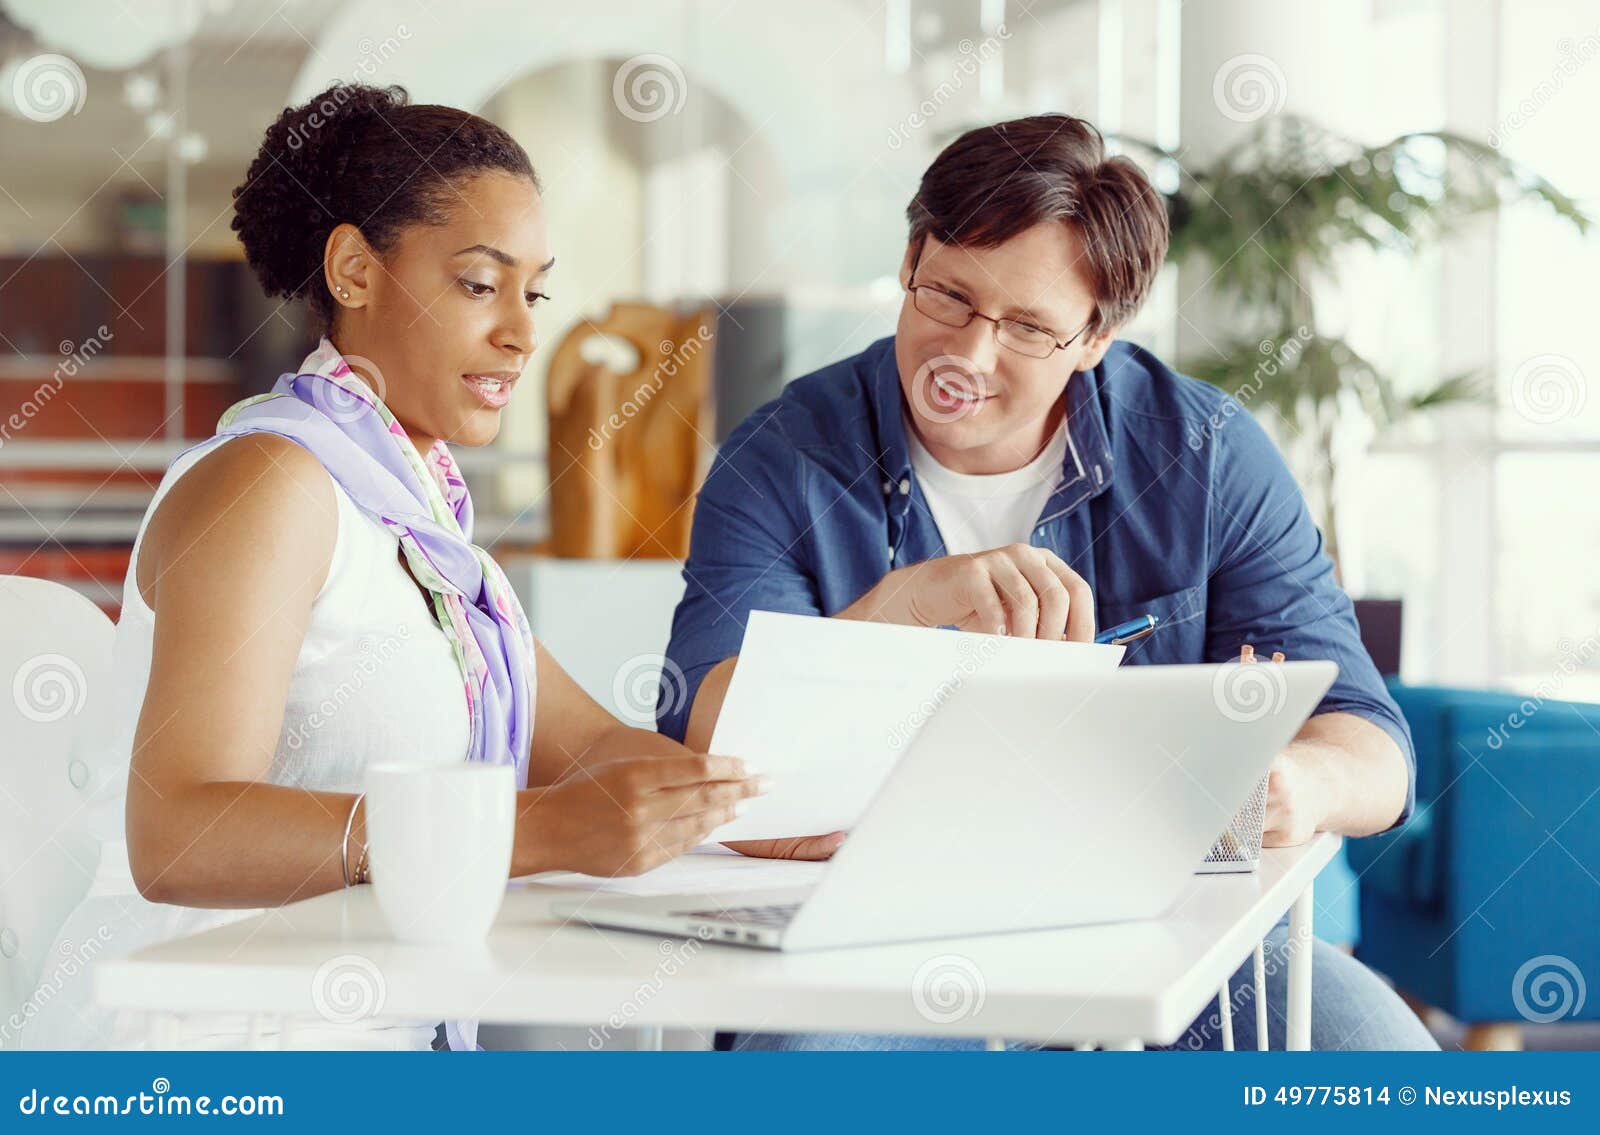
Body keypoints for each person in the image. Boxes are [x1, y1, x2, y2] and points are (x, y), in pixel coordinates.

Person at [659, 114, 1436, 1051]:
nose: (969, 357)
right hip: (868, 934)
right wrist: (897, 610)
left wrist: (1293, 784)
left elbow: (1376, 749)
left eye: (1029, 327)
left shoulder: (1207, 455)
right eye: (947, 296)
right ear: (911, 258)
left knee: (1381, 1062)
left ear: (1096, 335)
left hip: (1168, 930)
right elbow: (715, 745)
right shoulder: (783, 456)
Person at [21, 83, 760, 1052]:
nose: (523, 332)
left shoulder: (426, 533)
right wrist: (532, 831)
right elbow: (180, 834)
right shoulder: (269, 486)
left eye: (532, 291)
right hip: (201, 1044)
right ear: (355, 271)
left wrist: (761, 804)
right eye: (478, 283)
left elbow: (594, 753)